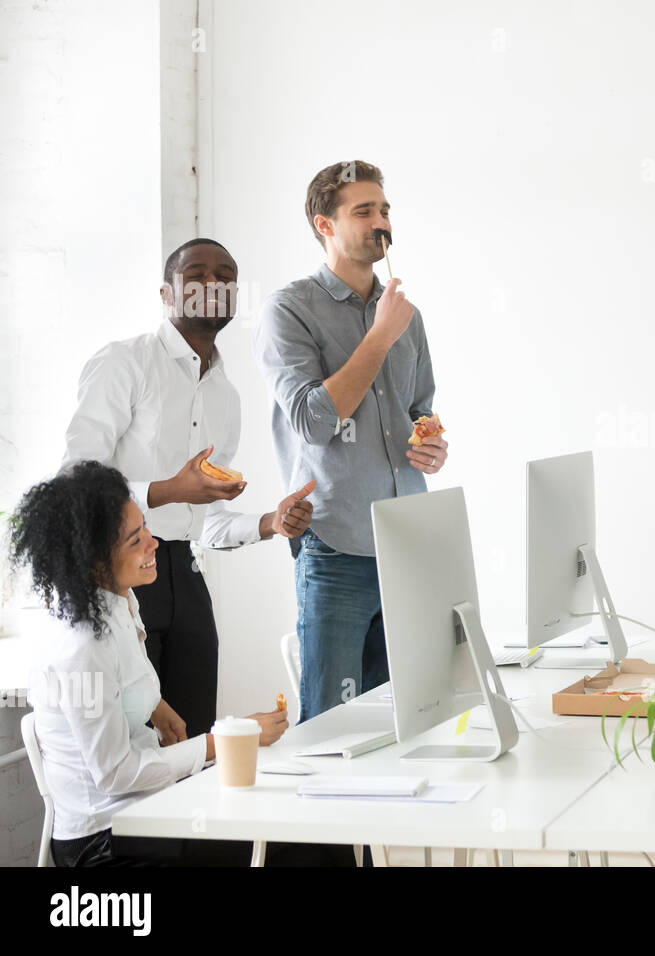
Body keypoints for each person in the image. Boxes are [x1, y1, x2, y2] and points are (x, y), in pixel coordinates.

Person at [11, 462, 351, 866]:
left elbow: (123, 678)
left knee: (319, 831)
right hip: (106, 842)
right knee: (308, 848)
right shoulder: (81, 645)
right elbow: (115, 775)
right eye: (136, 540)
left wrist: (156, 705)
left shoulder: (118, 600)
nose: (154, 544)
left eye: (146, 530)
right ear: (93, 560)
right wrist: (224, 741)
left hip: (147, 811)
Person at [63, 239, 316, 739]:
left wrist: (269, 522)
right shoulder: (124, 363)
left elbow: (206, 521)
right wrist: (165, 490)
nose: (213, 284)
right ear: (166, 292)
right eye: (196, 274)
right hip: (115, 573)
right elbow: (75, 482)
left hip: (183, 571)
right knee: (137, 735)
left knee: (195, 730)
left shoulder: (226, 396)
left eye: (225, 275)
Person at [253, 160, 446, 721]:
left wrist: (431, 445)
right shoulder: (288, 310)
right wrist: (381, 336)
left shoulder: (406, 316)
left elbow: (420, 411)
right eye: (363, 211)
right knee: (332, 732)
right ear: (324, 225)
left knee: (406, 722)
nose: (379, 221)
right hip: (336, 549)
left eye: (383, 209)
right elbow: (313, 420)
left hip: (409, 549)